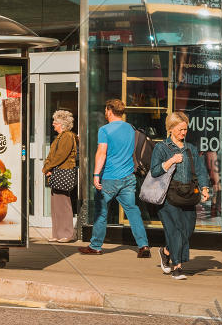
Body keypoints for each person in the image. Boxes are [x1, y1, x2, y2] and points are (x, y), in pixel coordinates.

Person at [81, 98, 150, 258]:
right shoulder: (131, 129)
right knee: (133, 211)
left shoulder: (105, 130)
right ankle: (143, 246)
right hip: (128, 177)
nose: (105, 113)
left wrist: (96, 174)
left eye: (106, 110)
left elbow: (101, 153)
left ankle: (96, 246)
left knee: (101, 212)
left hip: (109, 178)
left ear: (110, 111)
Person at [150, 110, 209, 280]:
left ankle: (166, 251)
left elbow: (201, 171)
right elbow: (154, 171)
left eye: (185, 129)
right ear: (171, 128)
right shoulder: (161, 148)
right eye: (180, 129)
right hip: (168, 196)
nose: (183, 133)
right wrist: (170, 161)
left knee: (187, 229)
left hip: (188, 195)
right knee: (175, 230)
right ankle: (177, 267)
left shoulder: (191, 148)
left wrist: (204, 188)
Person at [43, 108, 79, 242]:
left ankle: (67, 234)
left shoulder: (67, 136)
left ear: (62, 124)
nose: (53, 124)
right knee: (56, 205)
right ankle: (57, 234)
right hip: (57, 172)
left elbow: (60, 156)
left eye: (55, 122)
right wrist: (48, 168)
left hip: (62, 172)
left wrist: (47, 167)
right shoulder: (61, 136)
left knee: (63, 204)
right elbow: (54, 155)